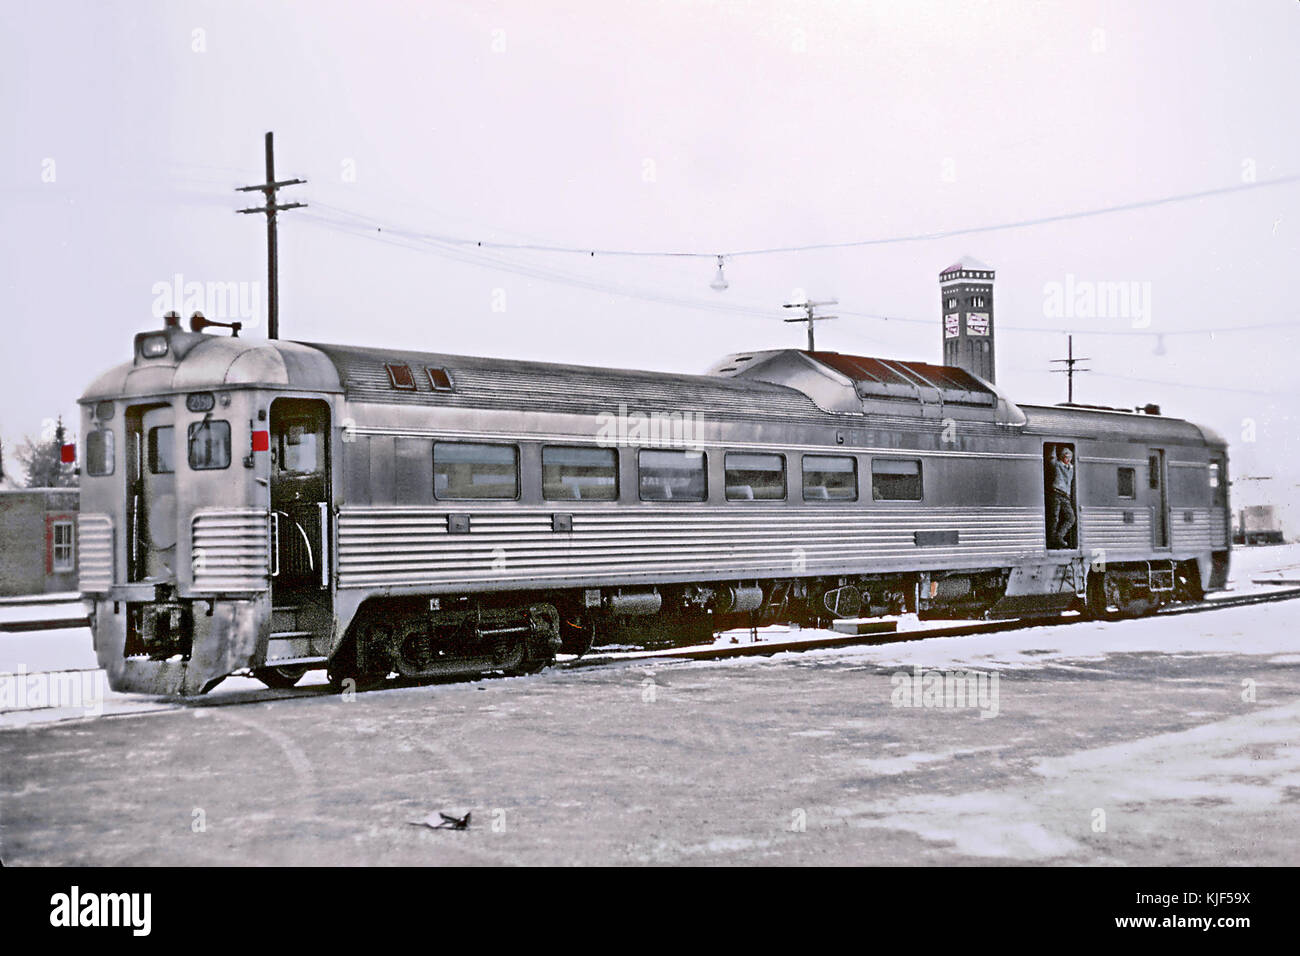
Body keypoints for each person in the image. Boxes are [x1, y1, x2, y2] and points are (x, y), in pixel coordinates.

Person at [1049, 446, 1075, 549]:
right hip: (1056, 493)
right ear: (1061, 457)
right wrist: (1054, 447)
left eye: (1070, 457)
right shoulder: (1057, 464)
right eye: (1066, 457)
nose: (1068, 459)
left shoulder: (1071, 468)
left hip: (1065, 496)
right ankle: (1052, 540)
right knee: (1054, 518)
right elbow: (1052, 459)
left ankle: (1059, 537)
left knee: (1071, 518)